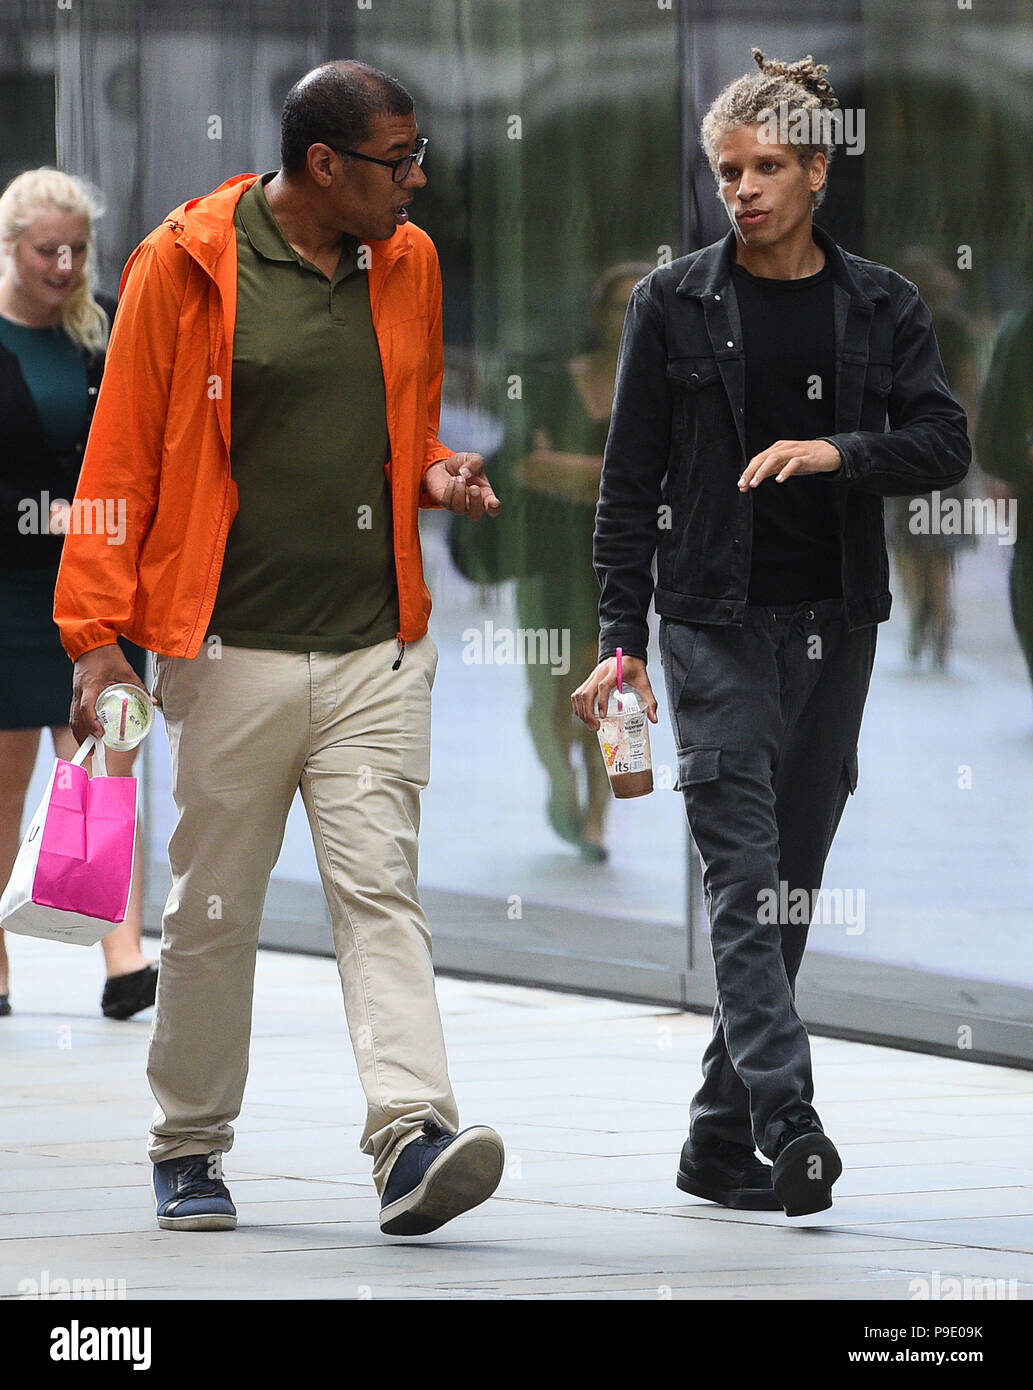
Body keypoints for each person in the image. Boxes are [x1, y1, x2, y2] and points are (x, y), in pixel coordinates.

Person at [54, 61, 505, 1237]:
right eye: (397, 161)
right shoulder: (186, 262)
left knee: (379, 893)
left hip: (375, 652)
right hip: (226, 651)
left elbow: (400, 423)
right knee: (212, 911)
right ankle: (189, 1143)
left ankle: (411, 1134)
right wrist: (94, 639)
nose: (417, 181)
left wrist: (435, 470)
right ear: (323, 167)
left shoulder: (408, 262)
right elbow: (120, 462)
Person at [572, 48, 970, 1217]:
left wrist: (837, 451)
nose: (739, 190)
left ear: (816, 172)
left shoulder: (882, 306)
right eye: (724, 170)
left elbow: (943, 444)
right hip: (709, 626)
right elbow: (625, 481)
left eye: (763, 169)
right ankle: (788, 1118)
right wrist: (617, 634)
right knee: (743, 883)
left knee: (785, 888)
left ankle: (712, 1139)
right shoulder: (672, 301)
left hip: (834, 629)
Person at [0, 168, 156, 1022]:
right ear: (11, 246)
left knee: (103, 770)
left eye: (76, 249)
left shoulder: (103, 328)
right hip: (9, 586)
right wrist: (38, 513)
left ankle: (122, 954)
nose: (63, 265)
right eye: (45, 250)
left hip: (97, 584)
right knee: (8, 781)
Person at [513, 263, 652, 861]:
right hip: (548, 559)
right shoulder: (549, 382)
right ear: (598, 314)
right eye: (619, 305)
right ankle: (561, 783)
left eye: (640, 306)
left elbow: (663, 483)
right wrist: (612, 480)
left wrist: (567, 473)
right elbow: (523, 466)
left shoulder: (663, 389)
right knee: (550, 704)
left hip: (622, 565)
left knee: (616, 700)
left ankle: (600, 816)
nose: (628, 319)